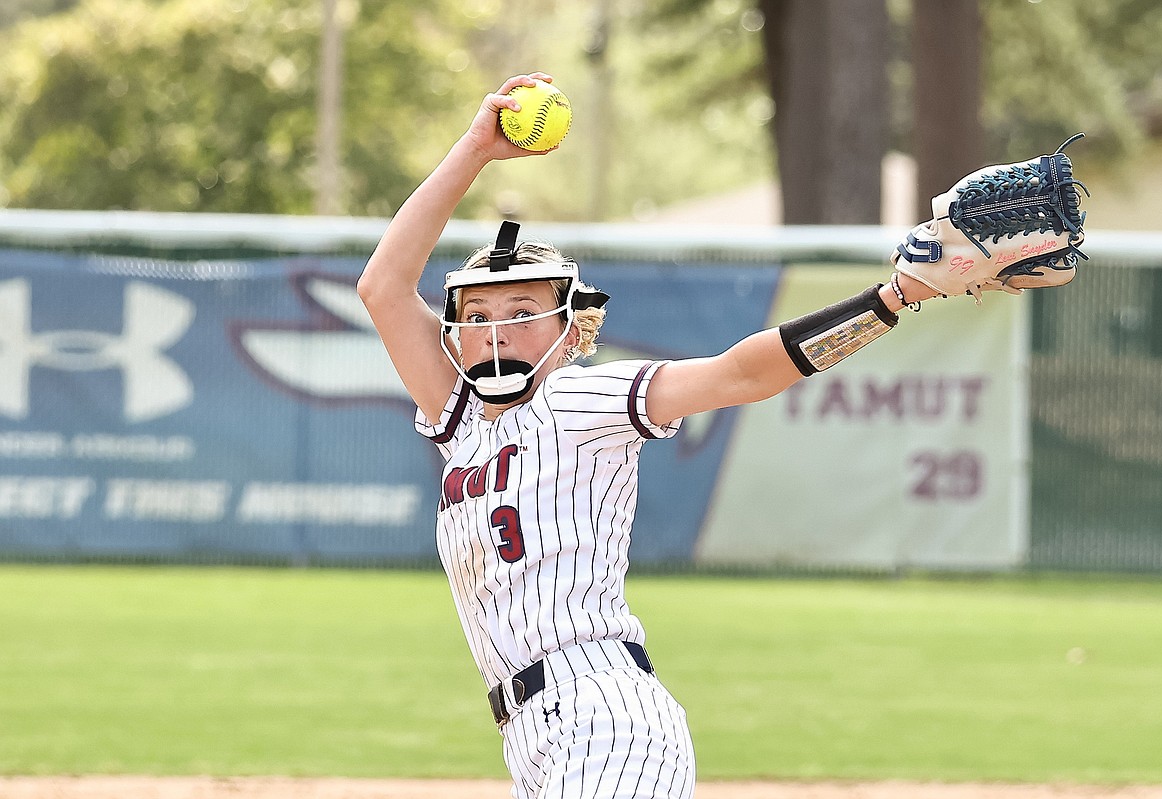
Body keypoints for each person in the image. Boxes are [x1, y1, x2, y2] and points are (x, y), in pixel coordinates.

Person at [358, 73, 941, 799]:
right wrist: (475, 149)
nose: (495, 326)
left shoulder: (580, 395)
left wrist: (892, 299)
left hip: (604, 717)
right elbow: (384, 286)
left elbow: (737, 375)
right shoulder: (460, 423)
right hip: (532, 733)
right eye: (475, 315)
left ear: (571, 331)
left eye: (520, 309)